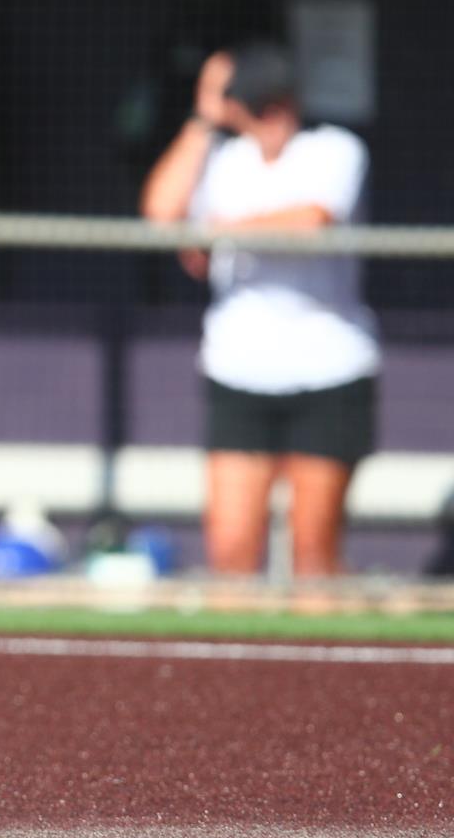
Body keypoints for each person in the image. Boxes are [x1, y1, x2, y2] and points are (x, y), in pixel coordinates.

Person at [140, 42, 378, 578]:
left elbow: (311, 218)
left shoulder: (333, 149)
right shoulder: (225, 160)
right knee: (231, 553)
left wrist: (218, 231)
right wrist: (203, 118)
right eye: (253, 105)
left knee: (313, 555)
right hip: (240, 372)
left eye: (273, 104)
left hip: (328, 371)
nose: (266, 117)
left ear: (290, 101)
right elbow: (161, 213)